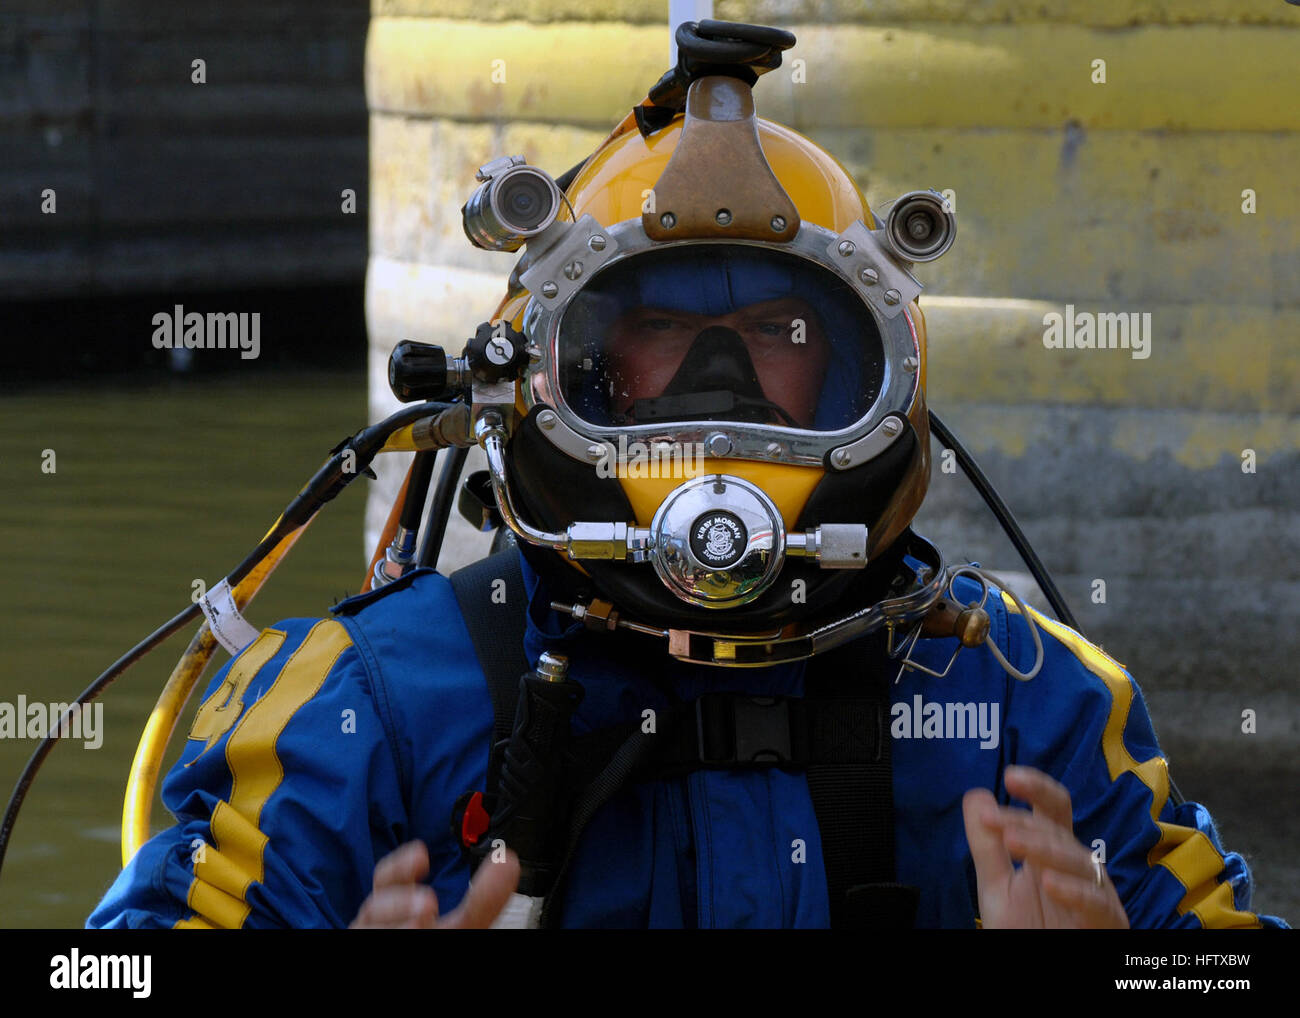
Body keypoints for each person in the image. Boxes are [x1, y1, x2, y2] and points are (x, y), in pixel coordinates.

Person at [88, 25, 1284, 931]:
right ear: (556, 368)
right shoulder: (368, 710)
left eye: (780, 330)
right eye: (660, 329)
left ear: (878, 371)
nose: (722, 381)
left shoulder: (1031, 703)